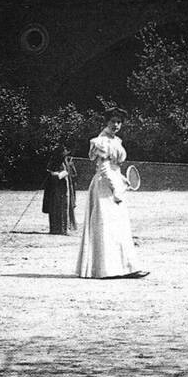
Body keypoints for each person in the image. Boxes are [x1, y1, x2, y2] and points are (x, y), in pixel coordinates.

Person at [76, 106, 148, 279]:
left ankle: (126, 268)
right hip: (104, 186)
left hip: (114, 181)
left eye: (119, 122)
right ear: (106, 122)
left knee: (119, 226)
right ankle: (106, 270)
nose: (116, 125)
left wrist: (122, 180)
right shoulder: (101, 141)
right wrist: (115, 189)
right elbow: (104, 168)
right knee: (106, 226)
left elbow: (115, 168)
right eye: (113, 121)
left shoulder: (117, 141)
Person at [42, 147, 77, 235]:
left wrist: (69, 171)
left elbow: (74, 175)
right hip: (56, 190)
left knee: (66, 207)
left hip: (66, 189)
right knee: (56, 208)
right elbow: (50, 174)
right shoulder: (54, 162)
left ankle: (65, 229)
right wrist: (58, 175)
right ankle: (57, 229)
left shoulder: (67, 162)